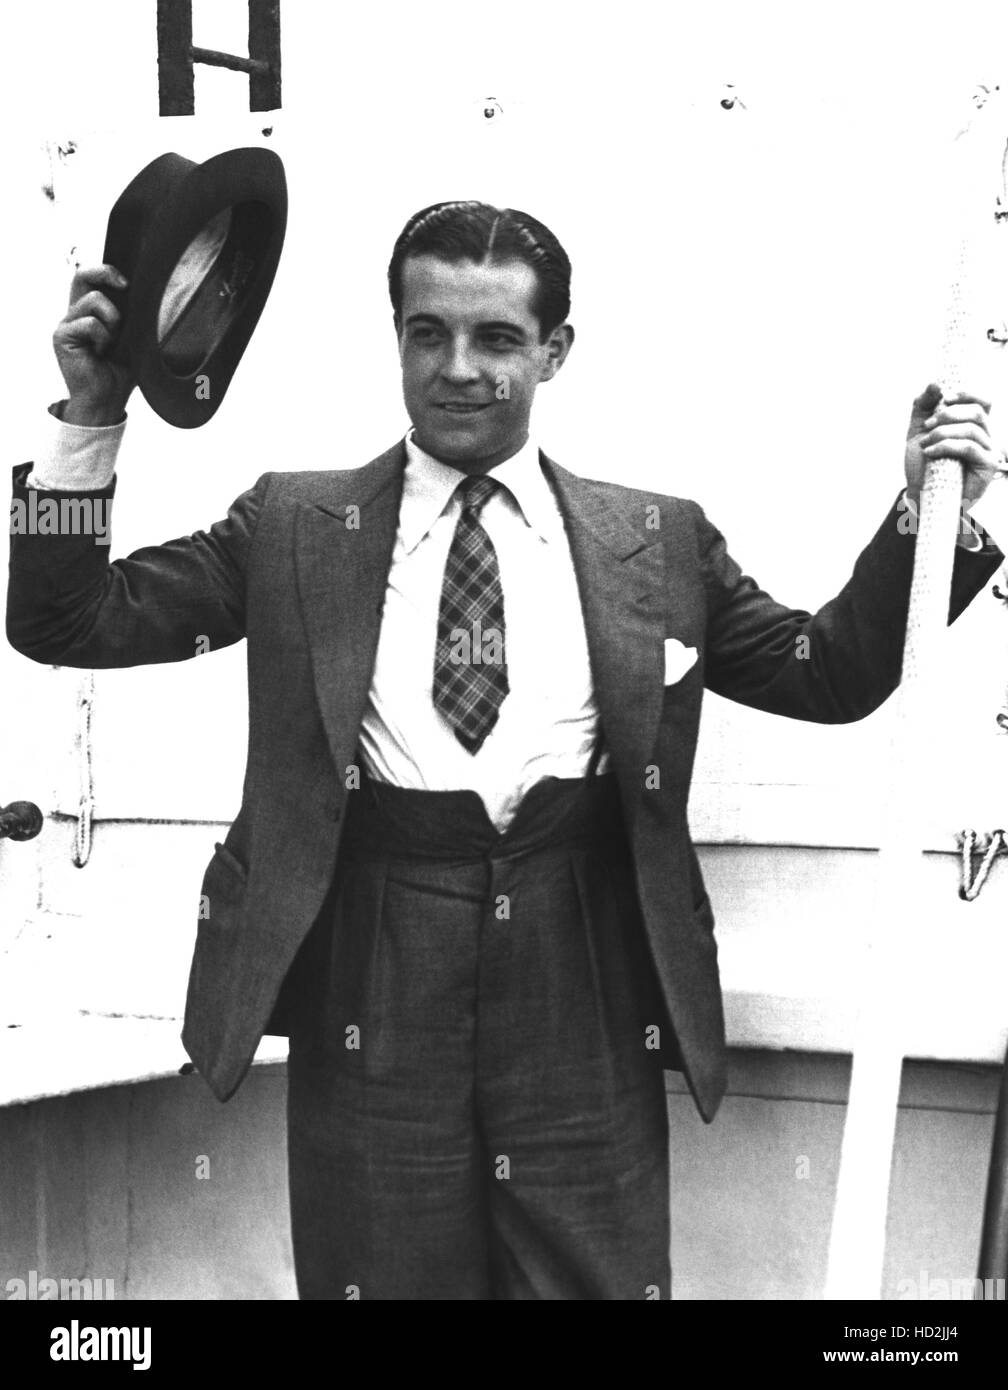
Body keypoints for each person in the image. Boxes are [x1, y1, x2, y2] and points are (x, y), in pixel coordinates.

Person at [7, 201, 1008, 1300]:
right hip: (372, 968)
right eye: (427, 333)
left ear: (553, 351)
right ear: (395, 336)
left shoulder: (657, 539)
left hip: (581, 971)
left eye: (495, 340)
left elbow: (830, 671)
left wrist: (925, 515)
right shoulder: (294, 524)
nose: (457, 367)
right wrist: (89, 418)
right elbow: (69, 622)